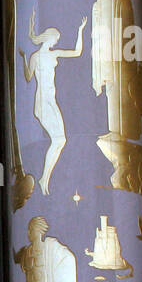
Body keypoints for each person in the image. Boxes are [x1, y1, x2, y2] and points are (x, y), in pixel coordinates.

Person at [19, 10, 86, 195]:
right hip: (43, 101)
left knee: (60, 140)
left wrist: (81, 30)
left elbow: (76, 52)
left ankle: (44, 178)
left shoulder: (48, 55)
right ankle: (43, 179)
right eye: (56, 39)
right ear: (49, 39)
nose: (56, 42)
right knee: (59, 140)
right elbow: (28, 76)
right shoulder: (39, 56)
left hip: (50, 100)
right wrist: (24, 58)